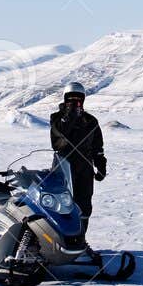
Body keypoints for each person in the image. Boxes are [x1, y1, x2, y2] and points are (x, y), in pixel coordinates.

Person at [49, 81, 106, 243]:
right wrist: (70, 115)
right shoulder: (56, 118)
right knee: (62, 204)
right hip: (63, 166)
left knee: (84, 205)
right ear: (65, 99)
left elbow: (97, 146)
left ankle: (80, 240)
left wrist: (101, 164)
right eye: (71, 99)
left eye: (78, 98)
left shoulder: (91, 121)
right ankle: (60, 239)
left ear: (83, 99)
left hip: (85, 167)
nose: (75, 101)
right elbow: (57, 141)